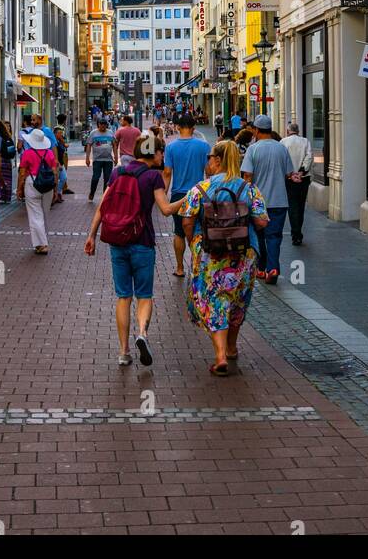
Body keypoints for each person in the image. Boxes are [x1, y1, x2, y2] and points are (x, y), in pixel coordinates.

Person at [84, 131, 185, 367]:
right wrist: (190, 195)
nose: (163, 156)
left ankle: (123, 351)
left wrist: (91, 235)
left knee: (123, 297)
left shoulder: (118, 172)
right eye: (161, 152)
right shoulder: (153, 177)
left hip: (117, 242)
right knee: (144, 295)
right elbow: (166, 209)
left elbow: (103, 205)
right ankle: (142, 333)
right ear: (154, 153)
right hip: (142, 242)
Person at [180, 139, 268, 375]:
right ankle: (231, 347)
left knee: (215, 300)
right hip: (243, 253)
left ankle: (219, 355)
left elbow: (187, 219)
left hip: (210, 253)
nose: (207, 161)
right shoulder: (248, 189)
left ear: (217, 160)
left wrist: (193, 241)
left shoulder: (200, 189)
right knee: (237, 300)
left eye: (209, 157)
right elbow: (262, 221)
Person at [240, 115, 293, 284]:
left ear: (256, 130)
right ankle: (273, 268)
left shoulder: (253, 149)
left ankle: (263, 269)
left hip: (258, 203)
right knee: (275, 236)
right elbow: (289, 173)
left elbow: (247, 175)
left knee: (260, 235)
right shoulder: (282, 148)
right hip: (279, 200)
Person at [162, 113, 210, 279]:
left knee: (179, 232)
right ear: (194, 128)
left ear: (177, 127)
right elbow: (209, 172)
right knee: (199, 231)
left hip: (178, 195)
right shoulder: (204, 146)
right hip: (199, 194)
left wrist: (163, 193)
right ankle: (198, 265)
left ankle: (180, 267)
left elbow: (167, 173)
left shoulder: (171, 147)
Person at [16, 126, 59, 254]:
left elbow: (22, 173)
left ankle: (41, 244)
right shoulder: (49, 153)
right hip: (48, 184)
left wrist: (19, 188)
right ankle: (42, 242)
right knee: (44, 214)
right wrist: (56, 189)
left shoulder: (27, 154)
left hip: (32, 183)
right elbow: (54, 172)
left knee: (35, 215)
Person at [281, 123, 313, 245]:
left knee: (292, 205)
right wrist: (301, 172)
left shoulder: (283, 142)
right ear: (298, 131)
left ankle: (296, 233)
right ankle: (297, 231)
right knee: (301, 205)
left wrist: (290, 173)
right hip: (303, 178)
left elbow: (282, 159)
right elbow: (309, 157)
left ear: (288, 131)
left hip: (289, 178)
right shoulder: (305, 141)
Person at [85, 117, 116, 201]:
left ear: (106, 125)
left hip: (108, 160)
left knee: (107, 179)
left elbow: (114, 145)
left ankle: (104, 196)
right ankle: (92, 192)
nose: (102, 126)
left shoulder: (110, 133)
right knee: (95, 177)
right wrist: (87, 158)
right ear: (98, 124)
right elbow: (88, 145)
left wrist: (116, 157)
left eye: (104, 124)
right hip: (97, 160)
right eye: (101, 124)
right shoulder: (93, 133)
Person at [0, 119, 16, 203]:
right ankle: (7, 197)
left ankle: (1, 196)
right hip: (7, 160)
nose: (8, 127)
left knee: (0, 178)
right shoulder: (8, 138)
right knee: (7, 178)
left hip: (1, 160)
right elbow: (12, 151)